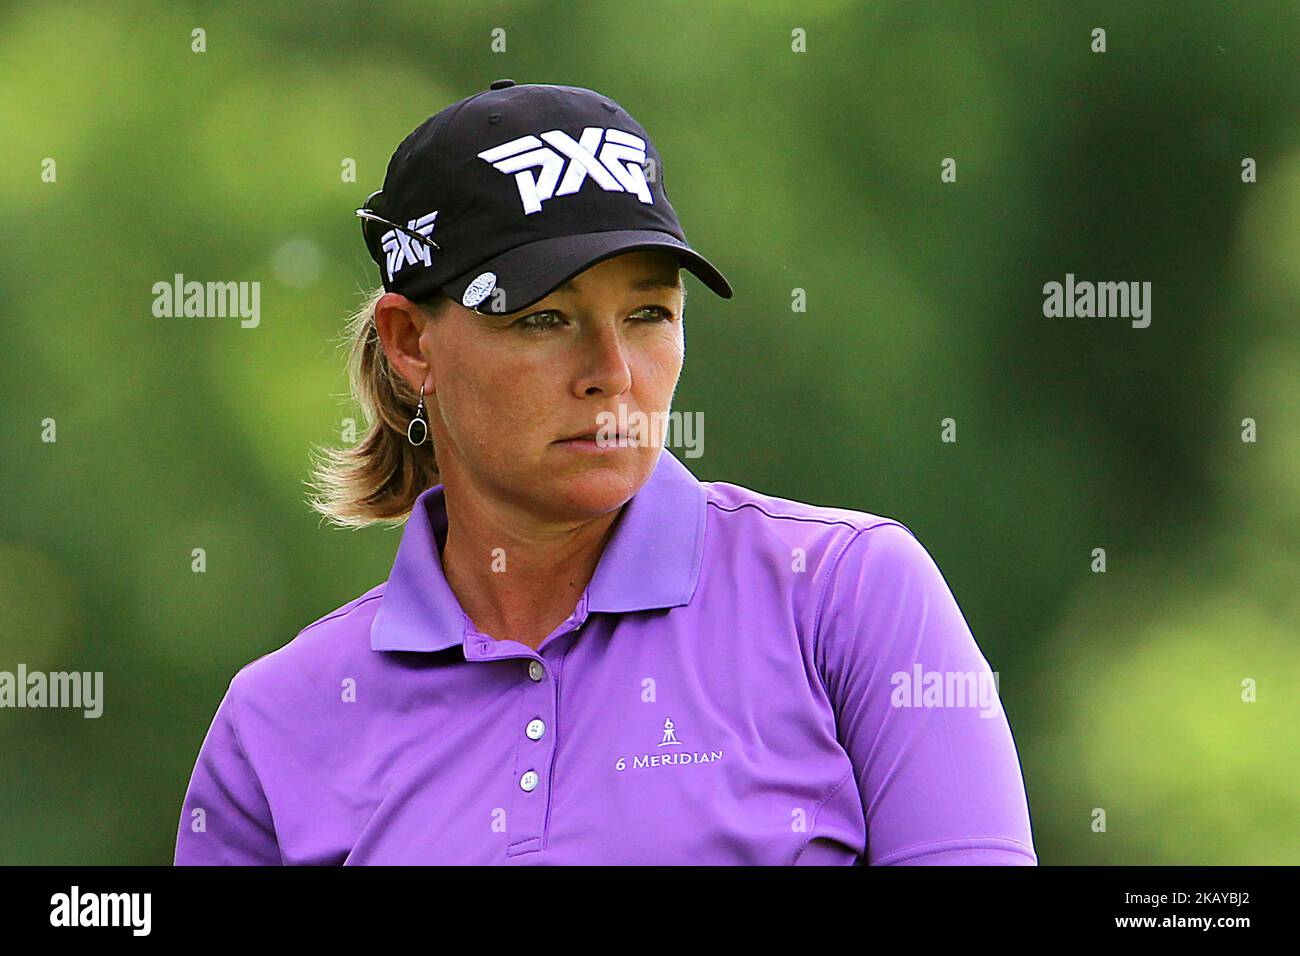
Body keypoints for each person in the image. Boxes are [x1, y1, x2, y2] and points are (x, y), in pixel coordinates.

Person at [174, 80, 1037, 865]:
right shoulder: (278, 720)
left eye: (650, 312)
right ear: (411, 346)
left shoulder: (848, 593)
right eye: (545, 318)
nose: (613, 372)